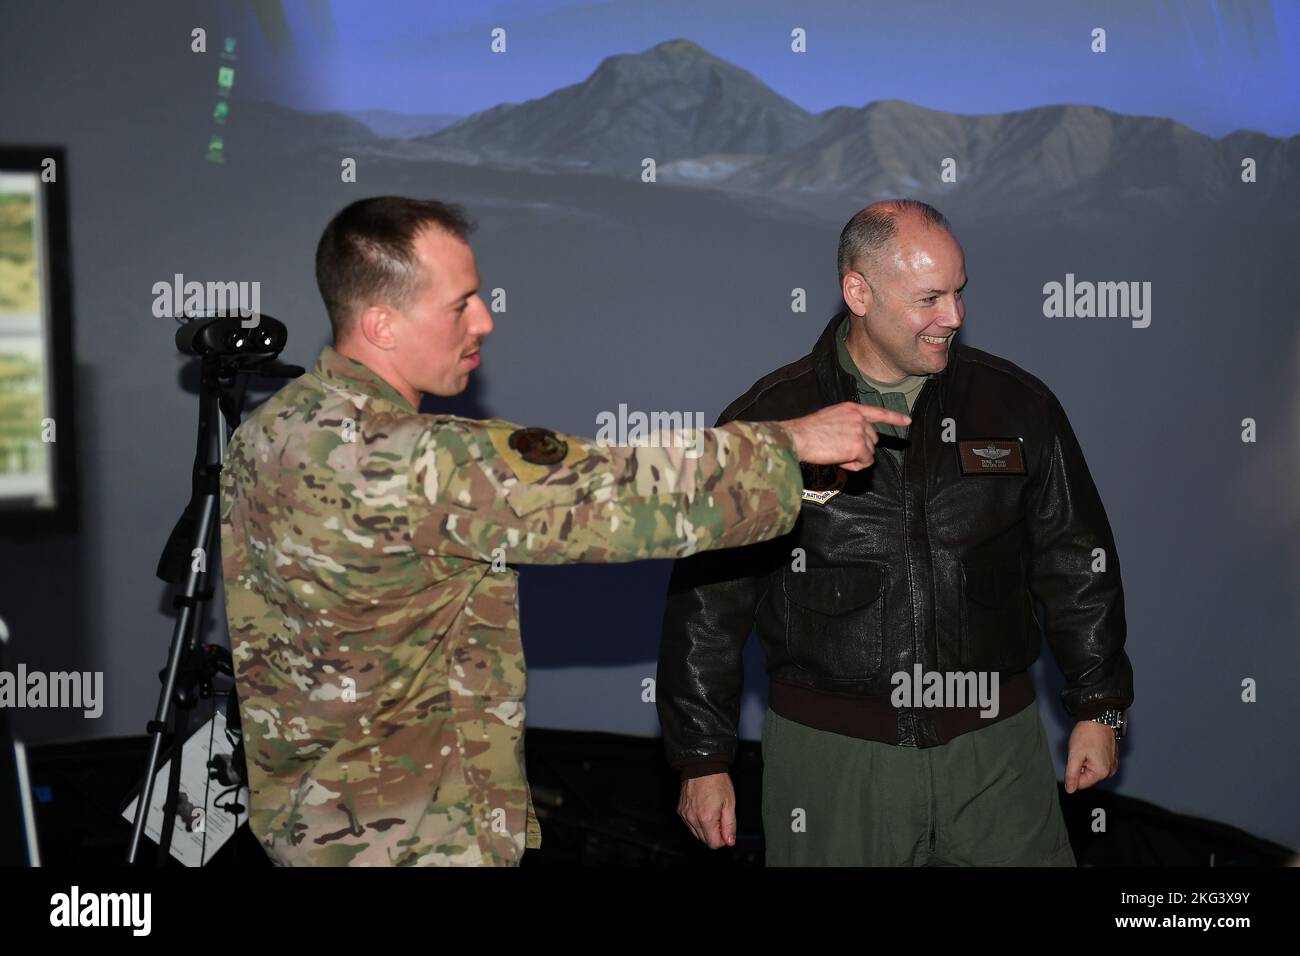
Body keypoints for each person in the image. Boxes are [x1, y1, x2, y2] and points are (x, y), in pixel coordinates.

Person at [219, 196, 908, 866]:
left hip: (312, 827)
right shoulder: (415, 460)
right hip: (414, 841)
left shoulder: (270, 430)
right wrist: (787, 443)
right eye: (459, 304)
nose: (484, 321)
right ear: (381, 324)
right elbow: (610, 488)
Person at [658, 199, 1134, 866]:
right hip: (834, 762)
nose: (954, 318)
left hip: (998, 752)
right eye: (929, 298)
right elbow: (708, 603)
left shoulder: (1018, 405)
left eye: (960, 293)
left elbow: (1075, 561)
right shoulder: (773, 421)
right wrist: (702, 758)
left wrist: (1100, 705)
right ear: (859, 292)